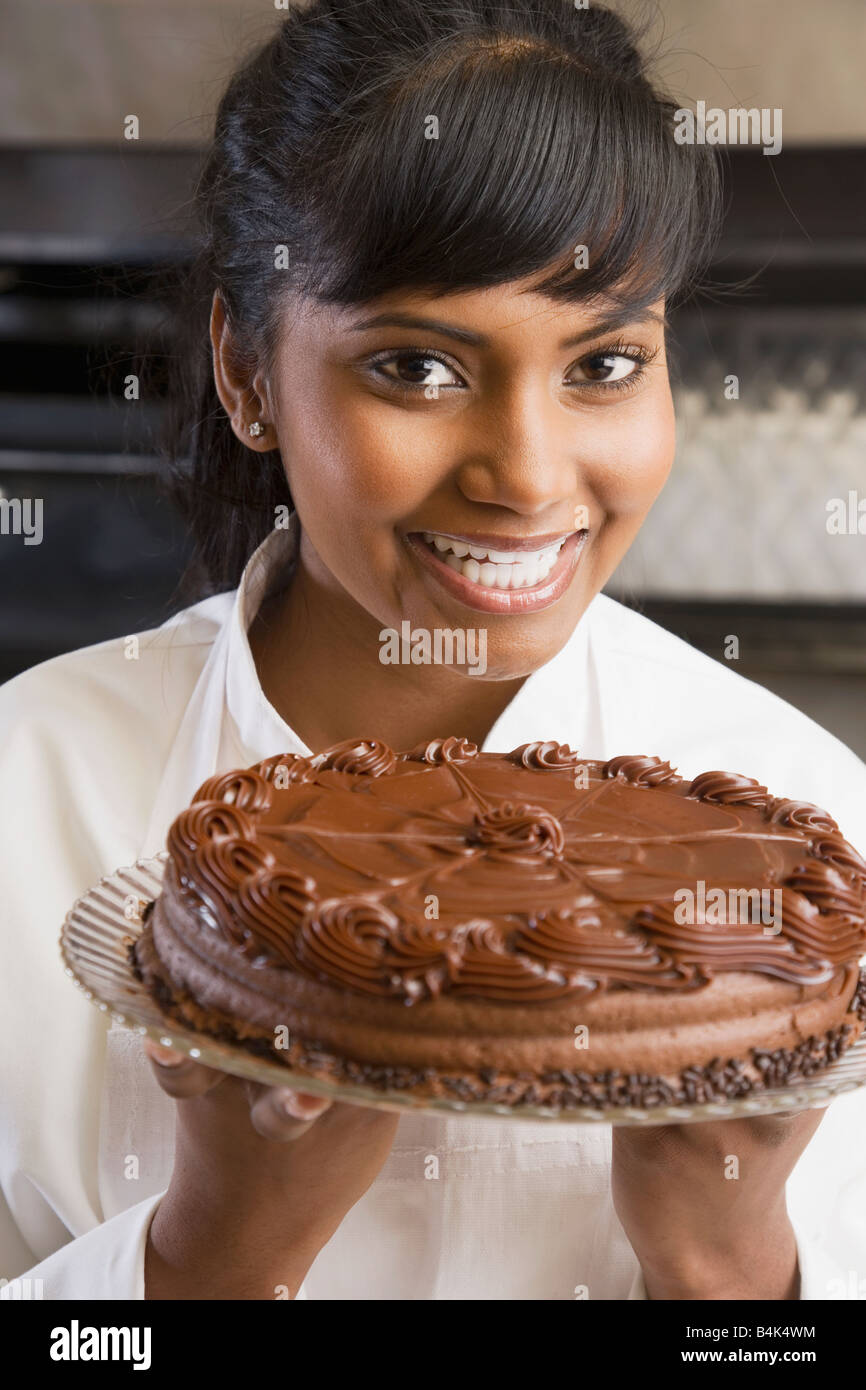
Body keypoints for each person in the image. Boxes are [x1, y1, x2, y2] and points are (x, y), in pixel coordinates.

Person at [2, 0, 865, 1302]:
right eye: (414, 366)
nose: (526, 477)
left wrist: (725, 1263)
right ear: (245, 372)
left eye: (605, 362)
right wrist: (207, 1259)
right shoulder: (28, 797)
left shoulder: (804, 835)